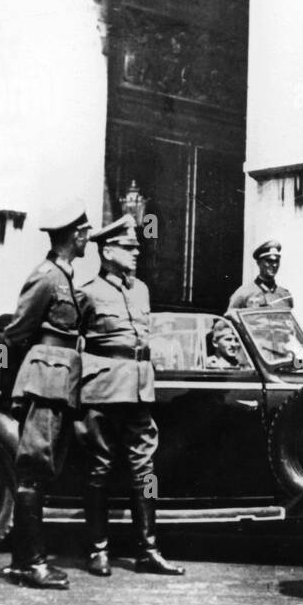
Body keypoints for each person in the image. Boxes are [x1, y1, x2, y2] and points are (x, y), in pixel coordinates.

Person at [77, 215, 185, 579]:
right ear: (107, 252)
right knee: (99, 470)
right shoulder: (88, 293)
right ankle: (97, 549)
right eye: (128, 247)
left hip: (139, 390)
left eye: (137, 247)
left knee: (145, 470)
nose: (137, 252)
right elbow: (75, 346)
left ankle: (149, 550)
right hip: (103, 391)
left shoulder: (141, 291)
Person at [1, 204, 92, 589]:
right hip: (45, 380)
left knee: (42, 470)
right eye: (85, 232)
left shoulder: (65, 278)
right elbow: (15, 332)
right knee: (34, 469)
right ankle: (31, 563)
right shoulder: (47, 276)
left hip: (59, 381)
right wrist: (7, 382)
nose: (88, 237)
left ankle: (27, 560)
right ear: (75, 236)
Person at [227, 240, 292, 313]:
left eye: (276, 261)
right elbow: (228, 320)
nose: (274, 265)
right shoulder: (244, 293)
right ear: (259, 263)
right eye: (269, 261)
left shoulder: (285, 295)